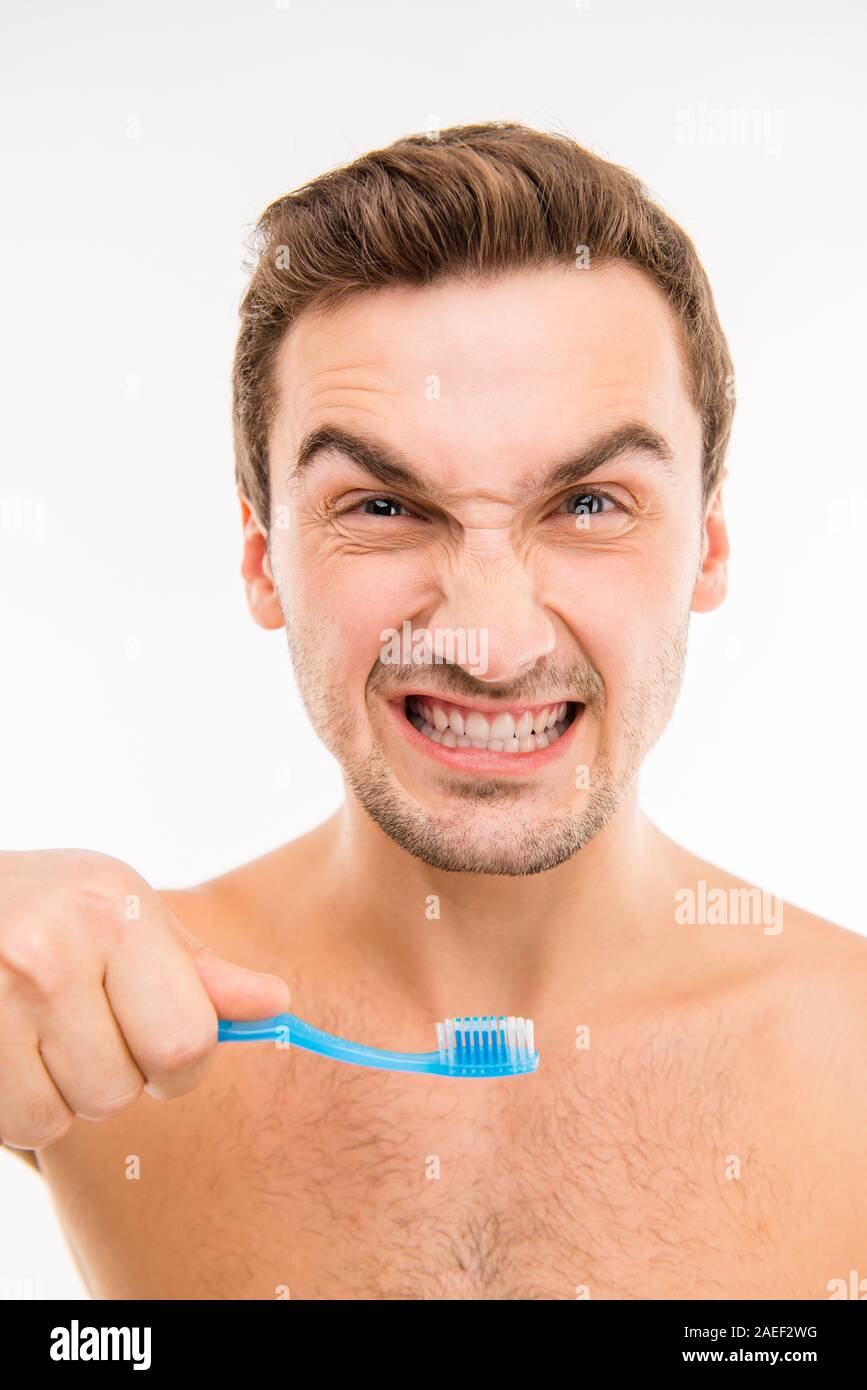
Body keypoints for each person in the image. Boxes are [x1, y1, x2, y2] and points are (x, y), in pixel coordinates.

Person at [2, 123, 864, 1300]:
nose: (493, 642)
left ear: (707, 545)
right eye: (385, 506)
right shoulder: (91, 1026)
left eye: (593, 501)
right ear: (264, 559)